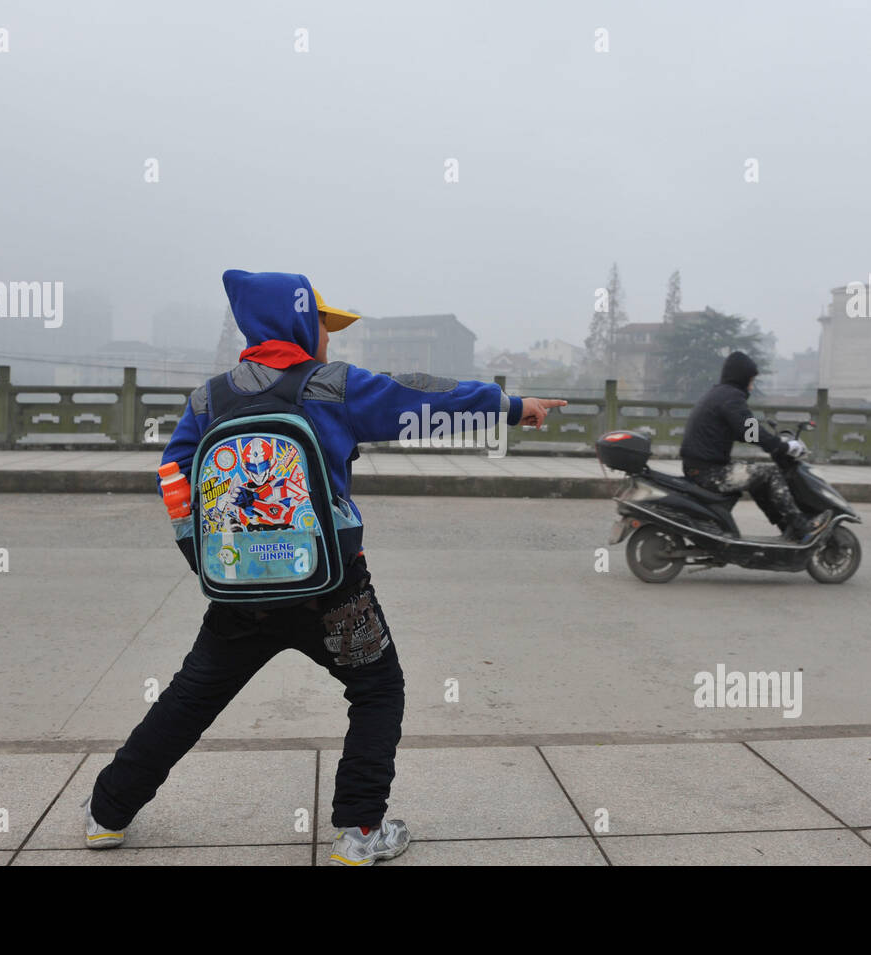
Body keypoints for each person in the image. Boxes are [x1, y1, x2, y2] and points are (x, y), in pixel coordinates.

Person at [82, 269, 565, 865]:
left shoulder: (210, 398)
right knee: (377, 689)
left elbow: (175, 477)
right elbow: (422, 398)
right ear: (300, 321)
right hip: (333, 590)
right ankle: (359, 832)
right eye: (323, 325)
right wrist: (512, 407)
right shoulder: (332, 386)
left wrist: (209, 563)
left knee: (190, 699)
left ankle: (106, 814)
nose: (329, 338)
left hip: (241, 594)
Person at [678, 351, 830, 543]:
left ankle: (785, 525)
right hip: (708, 473)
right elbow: (751, 429)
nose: (751, 386)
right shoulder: (731, 397)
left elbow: (745, 432)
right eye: (751, 380)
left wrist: (771, 442)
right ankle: (801, 527)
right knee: (770, 474)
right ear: (741, 378)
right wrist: (783, 447)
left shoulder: (719, 394)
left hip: (699, 468)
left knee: (757, 477)